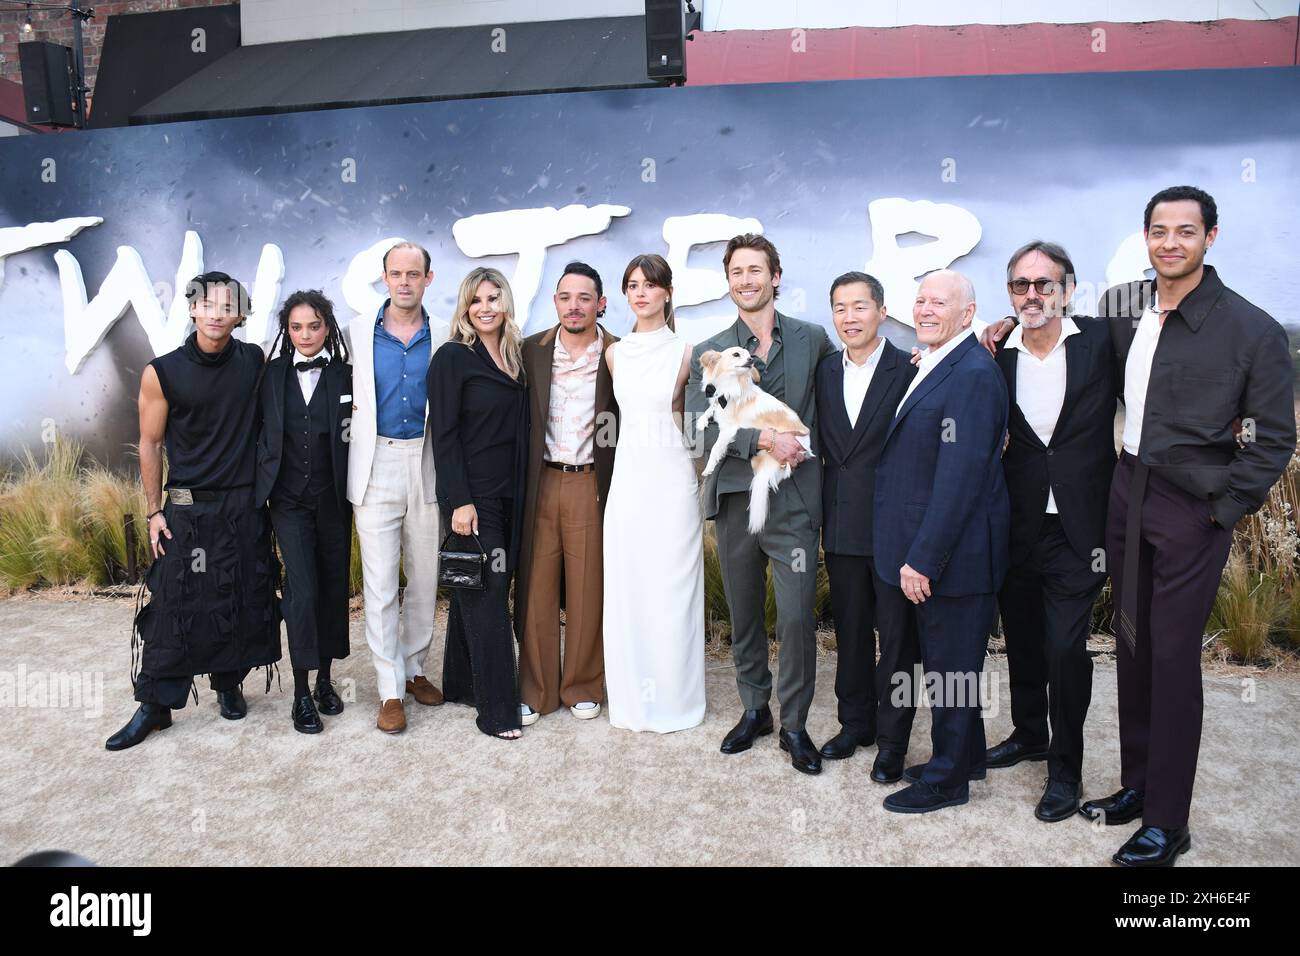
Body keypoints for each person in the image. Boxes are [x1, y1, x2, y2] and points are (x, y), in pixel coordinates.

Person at [1086, 187, 1294, 865]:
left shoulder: (1251, 329)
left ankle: (1168, 821)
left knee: (1174, 660)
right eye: (1158, 230)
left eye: (1185, 231)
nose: (1169, 242)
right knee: (1133, 643)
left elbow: (1270, 440)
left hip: (1192, 507)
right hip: (1128, 489)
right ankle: (1137, 786)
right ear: (1144, 237)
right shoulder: (1122, 305)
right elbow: (1067, 339)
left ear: (1211, 236)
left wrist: (1221, 509)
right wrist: (1003, 326)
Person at [106, 272, 282, 751]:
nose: (217, 313)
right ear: (192, 310)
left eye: (228, 306)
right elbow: (150, 442)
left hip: (243, 508)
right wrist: (152, 511)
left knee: (239, 599)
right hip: (185, 510)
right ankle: (155, 707)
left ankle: (228, 685)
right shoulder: (161, 371)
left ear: (241, 315)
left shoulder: (254, 362)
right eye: (208, 305)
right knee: (173, 609)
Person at [686, 234, 837, 775]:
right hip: (733, 499)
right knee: (745, 613)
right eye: (737, 272)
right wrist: (760, 441)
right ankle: (755, 709)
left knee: (796, 618)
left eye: (756, 270)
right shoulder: (711, 350)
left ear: (775, 276)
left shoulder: (814, 340)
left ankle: (794, 723)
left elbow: (849, 386)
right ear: (728, 282)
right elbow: (694, 427)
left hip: (794, 499)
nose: (746, 280)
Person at [984, 242, 1117, 821]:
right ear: (1009, 293)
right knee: (1023, 637)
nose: (1032, 294)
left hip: (1079, 529)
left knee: (1065, 649)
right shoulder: (994, 354)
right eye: (1021, 285)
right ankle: (1028, 732)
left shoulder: (1104, 343)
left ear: (1067, 289)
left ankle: (1065, 769)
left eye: (1044, 284)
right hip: (1015, 522)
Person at [873, 269, 1010, 813]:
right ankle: (964, 759)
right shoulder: (940, 362)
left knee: (951, 672)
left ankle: (948, 782)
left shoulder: (973, 372)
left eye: (940, 302)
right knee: (949, 666)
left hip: (955, 558)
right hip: (940, 550)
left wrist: (923, 559)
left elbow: (961, 477)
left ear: (967, 313)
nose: (926, 309)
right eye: (921, 300)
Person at [813, 272, 920, 783]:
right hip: (843, 525)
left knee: (898, 639)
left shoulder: (911, 369)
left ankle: (894, 741)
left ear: (881, 311)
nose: (849, 317)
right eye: (839, 308)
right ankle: (855, 723)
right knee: (850, 633)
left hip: (896, 528)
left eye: (859, 306)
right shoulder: (824, 370)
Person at [603, 254, 705, 733]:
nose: (640, 292)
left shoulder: (688, 352)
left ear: (667, 291)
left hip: (672, 479)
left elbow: (695, 424)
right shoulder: (614, 353)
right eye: (632, 285)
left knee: (673, 589)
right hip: (629, 480)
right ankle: (633, 698)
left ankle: (677, 699)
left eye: (650, 284)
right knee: (631, 589)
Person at [347, 242, 446, 734]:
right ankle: (389, 690)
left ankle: (415, 668)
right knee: (382, 583)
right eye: (395, 273)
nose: (404, 282)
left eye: (414, 273)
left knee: (425, 579)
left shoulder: (448, 333)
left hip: (426, 460)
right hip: (375, 462)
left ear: (429, 278)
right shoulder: (357, 331)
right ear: (384, 278)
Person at [427, 267, 529, 740]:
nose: (486, 307)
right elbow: (443, 436)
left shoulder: (515, 356)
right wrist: (459, 502)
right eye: (476, 300)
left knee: (482, 586)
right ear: (465, 308)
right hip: (476, 497)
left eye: (494, 298)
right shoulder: (452, 358)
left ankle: (462, 683)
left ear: (505, 303)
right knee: (488, 598)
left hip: (514, 494)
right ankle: (497, 712)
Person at [516, 262, 619, 725]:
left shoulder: (619, 352)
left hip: (589, 481)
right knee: (536, 586)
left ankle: (582, 683)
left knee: (586, 586)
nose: (573, 306)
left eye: (584, 298)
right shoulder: (529, 351)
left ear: (600, 303)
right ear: (554, 302)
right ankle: (535, 690)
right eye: (565, 297)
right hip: (540, 480)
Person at [254, 290, 353, 734]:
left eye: (314, 326)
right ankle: (299, 692)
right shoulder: (269, 376)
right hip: (288, 501)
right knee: (302, 590)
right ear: (286, 330)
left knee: (333, 589)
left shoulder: (347, 376)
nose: (306, 334)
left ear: (327, 328)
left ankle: (326, 681)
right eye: (297, 327)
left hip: (334, 499)